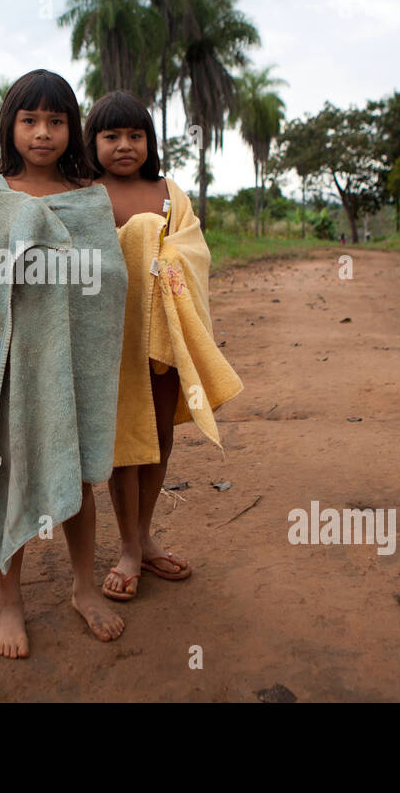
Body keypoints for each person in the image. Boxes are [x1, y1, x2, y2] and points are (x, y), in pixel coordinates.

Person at [0, 70, 127, 658]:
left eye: (56, 121)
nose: (43, 133)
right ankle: (9, 601)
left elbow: (108, 280)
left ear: (72, 128)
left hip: (68, 365)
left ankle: (82, 587)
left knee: (78, 474)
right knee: (10, 474)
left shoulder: (89, 197)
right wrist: (25, 238)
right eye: (30, 120)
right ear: (10, 126)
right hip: (12, 367)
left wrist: (55, 254)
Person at [85, 91, 244, 601]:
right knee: (123, 446)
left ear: (151, 142)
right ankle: (128, 547)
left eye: (136, 135)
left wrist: (156, 245)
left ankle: (146, 534)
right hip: (112, 340)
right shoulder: (86, 193)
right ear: (92, 142)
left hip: (163, 337)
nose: (124, 145)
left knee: (156, 437)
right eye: (111, 136)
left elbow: (193, 254)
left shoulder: (171, 193)